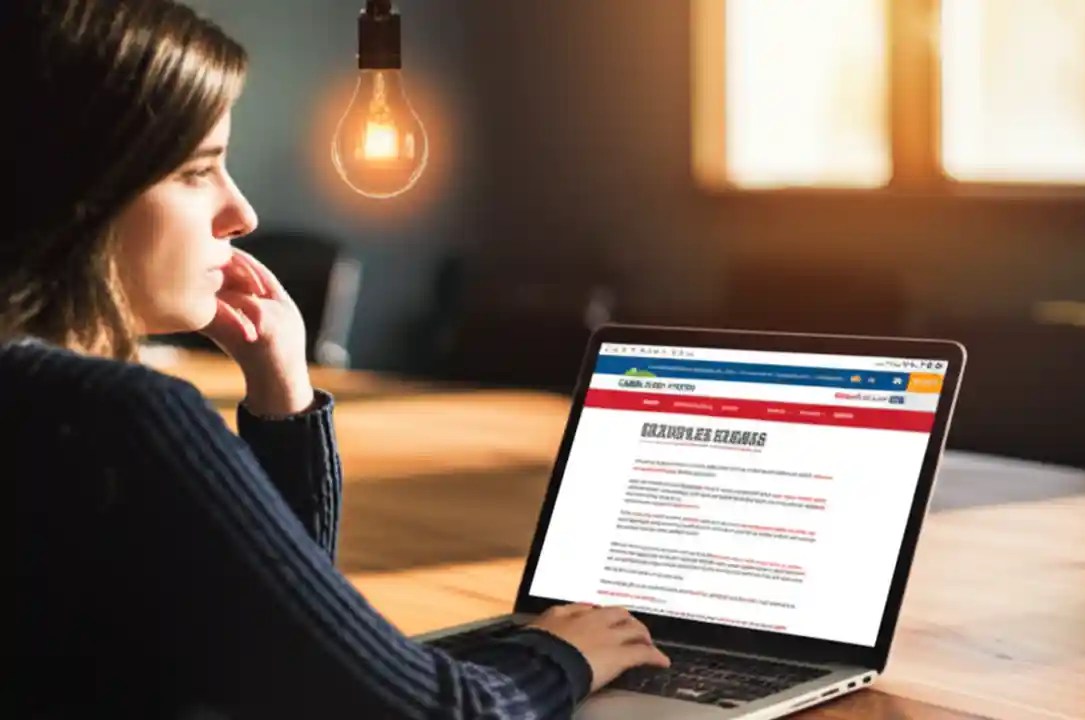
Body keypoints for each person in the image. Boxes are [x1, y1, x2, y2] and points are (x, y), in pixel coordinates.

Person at [4, 1, 669, 718]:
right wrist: (560, 653)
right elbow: (435, 714)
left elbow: (274, 637)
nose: (242, 214)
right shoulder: (122, 420)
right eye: (198, 171)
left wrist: (281, 390)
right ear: (80, 186)